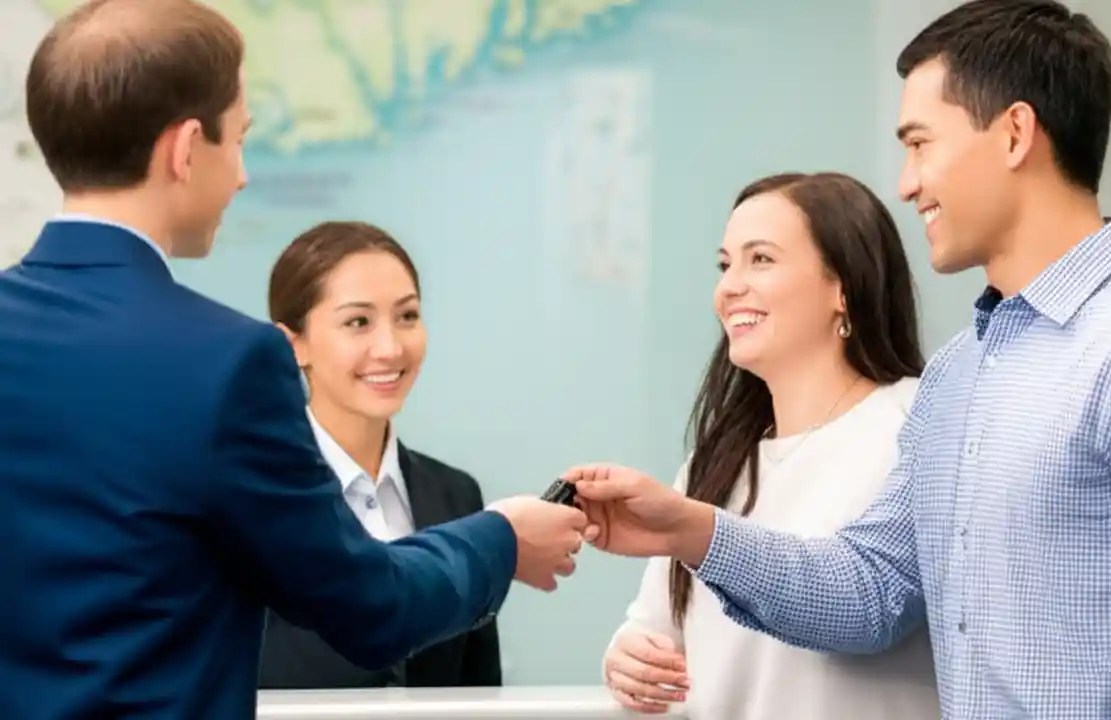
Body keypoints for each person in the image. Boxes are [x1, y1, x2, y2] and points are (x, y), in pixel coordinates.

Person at [565, 1, 1111, 717]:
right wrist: (691, 529)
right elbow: (869, 591)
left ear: (1014, 134)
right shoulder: (960, 373)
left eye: (920, 144)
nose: (906, 183)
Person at [0, 2, 588, 718]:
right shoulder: (226, 362)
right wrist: (501, 539)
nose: (242, 176)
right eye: (238, 141)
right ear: (186, 150)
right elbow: (369, 607)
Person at [600, 172, 939, 719]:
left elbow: (867, 604)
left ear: (843, 287)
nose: (729, 286)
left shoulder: (917, 420)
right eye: (724, 264)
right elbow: (653, 632)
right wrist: (626, 659)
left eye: (760, 259)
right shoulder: (714, 465)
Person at [256, 221, 502, 689]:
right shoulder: (253, 494)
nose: (390, 348)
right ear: (293, 345)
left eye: (407, 316)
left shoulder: (456, 495)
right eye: (358, 322)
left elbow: (478, 690)